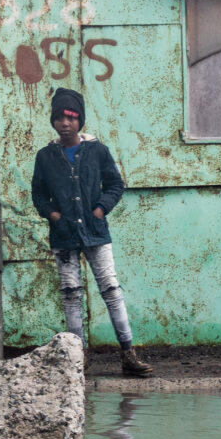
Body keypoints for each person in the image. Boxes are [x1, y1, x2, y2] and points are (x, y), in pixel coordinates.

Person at [31, 87, 153, 377]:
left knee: (111, 290)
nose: (65, 123)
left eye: (72, 117)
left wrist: (100, 209)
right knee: (71, 293)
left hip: (96, 232)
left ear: (80, 121)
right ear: (53, 120)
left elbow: (115, 185)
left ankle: (128, 354)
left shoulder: (97, 151)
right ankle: (78, 359)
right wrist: (54, 215)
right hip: (64, 235)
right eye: (60, 117)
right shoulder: (45, 156)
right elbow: (38, 195)